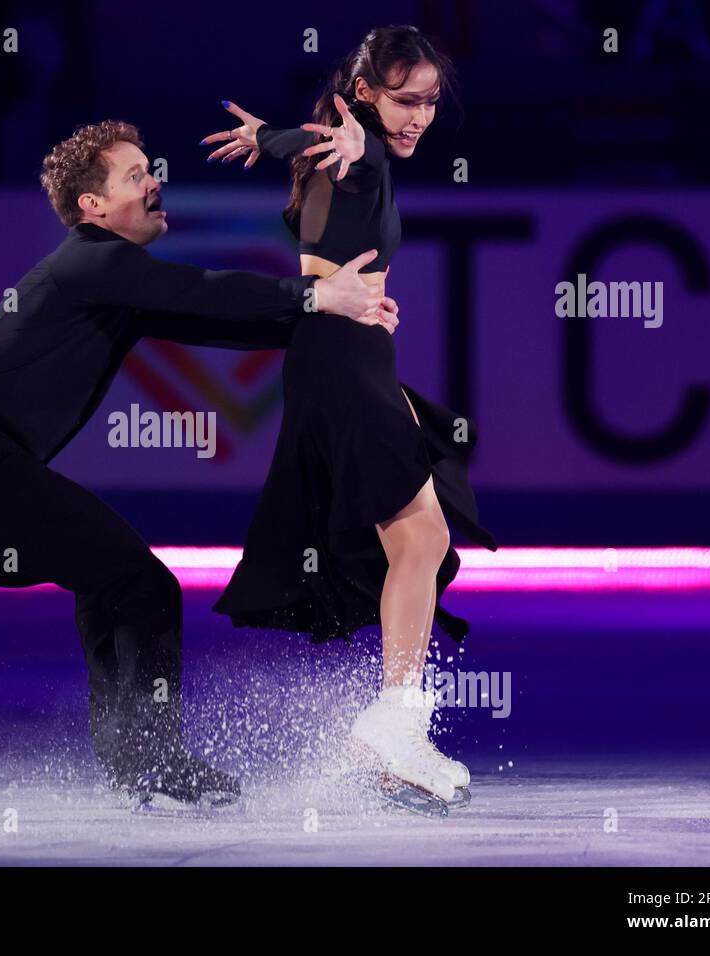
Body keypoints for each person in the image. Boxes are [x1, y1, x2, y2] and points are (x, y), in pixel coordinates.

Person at [0, 119, 392, 808]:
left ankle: (132, 757)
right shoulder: (89, 261)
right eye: (135, 176)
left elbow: (219, 321)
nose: (155, 180)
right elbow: (208, 291)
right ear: (92, 207)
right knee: (144, 585)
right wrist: (314, 295)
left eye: (150, 169)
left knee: (114, 583)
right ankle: (151, 755)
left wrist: (335, 315)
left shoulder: (111, 283)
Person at [201, 25, 498, 816]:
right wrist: (295, 136)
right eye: (404, 101)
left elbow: (329, 149)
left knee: (422, 536)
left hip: (353, 355)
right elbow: (352, 147)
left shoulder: (344, 162)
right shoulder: (355, 157)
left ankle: (395, 729)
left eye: (432, 103)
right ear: (363, 94)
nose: (420, 119)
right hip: (339, 359)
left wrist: (270, 135)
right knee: (421, 537)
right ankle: (395, 722)